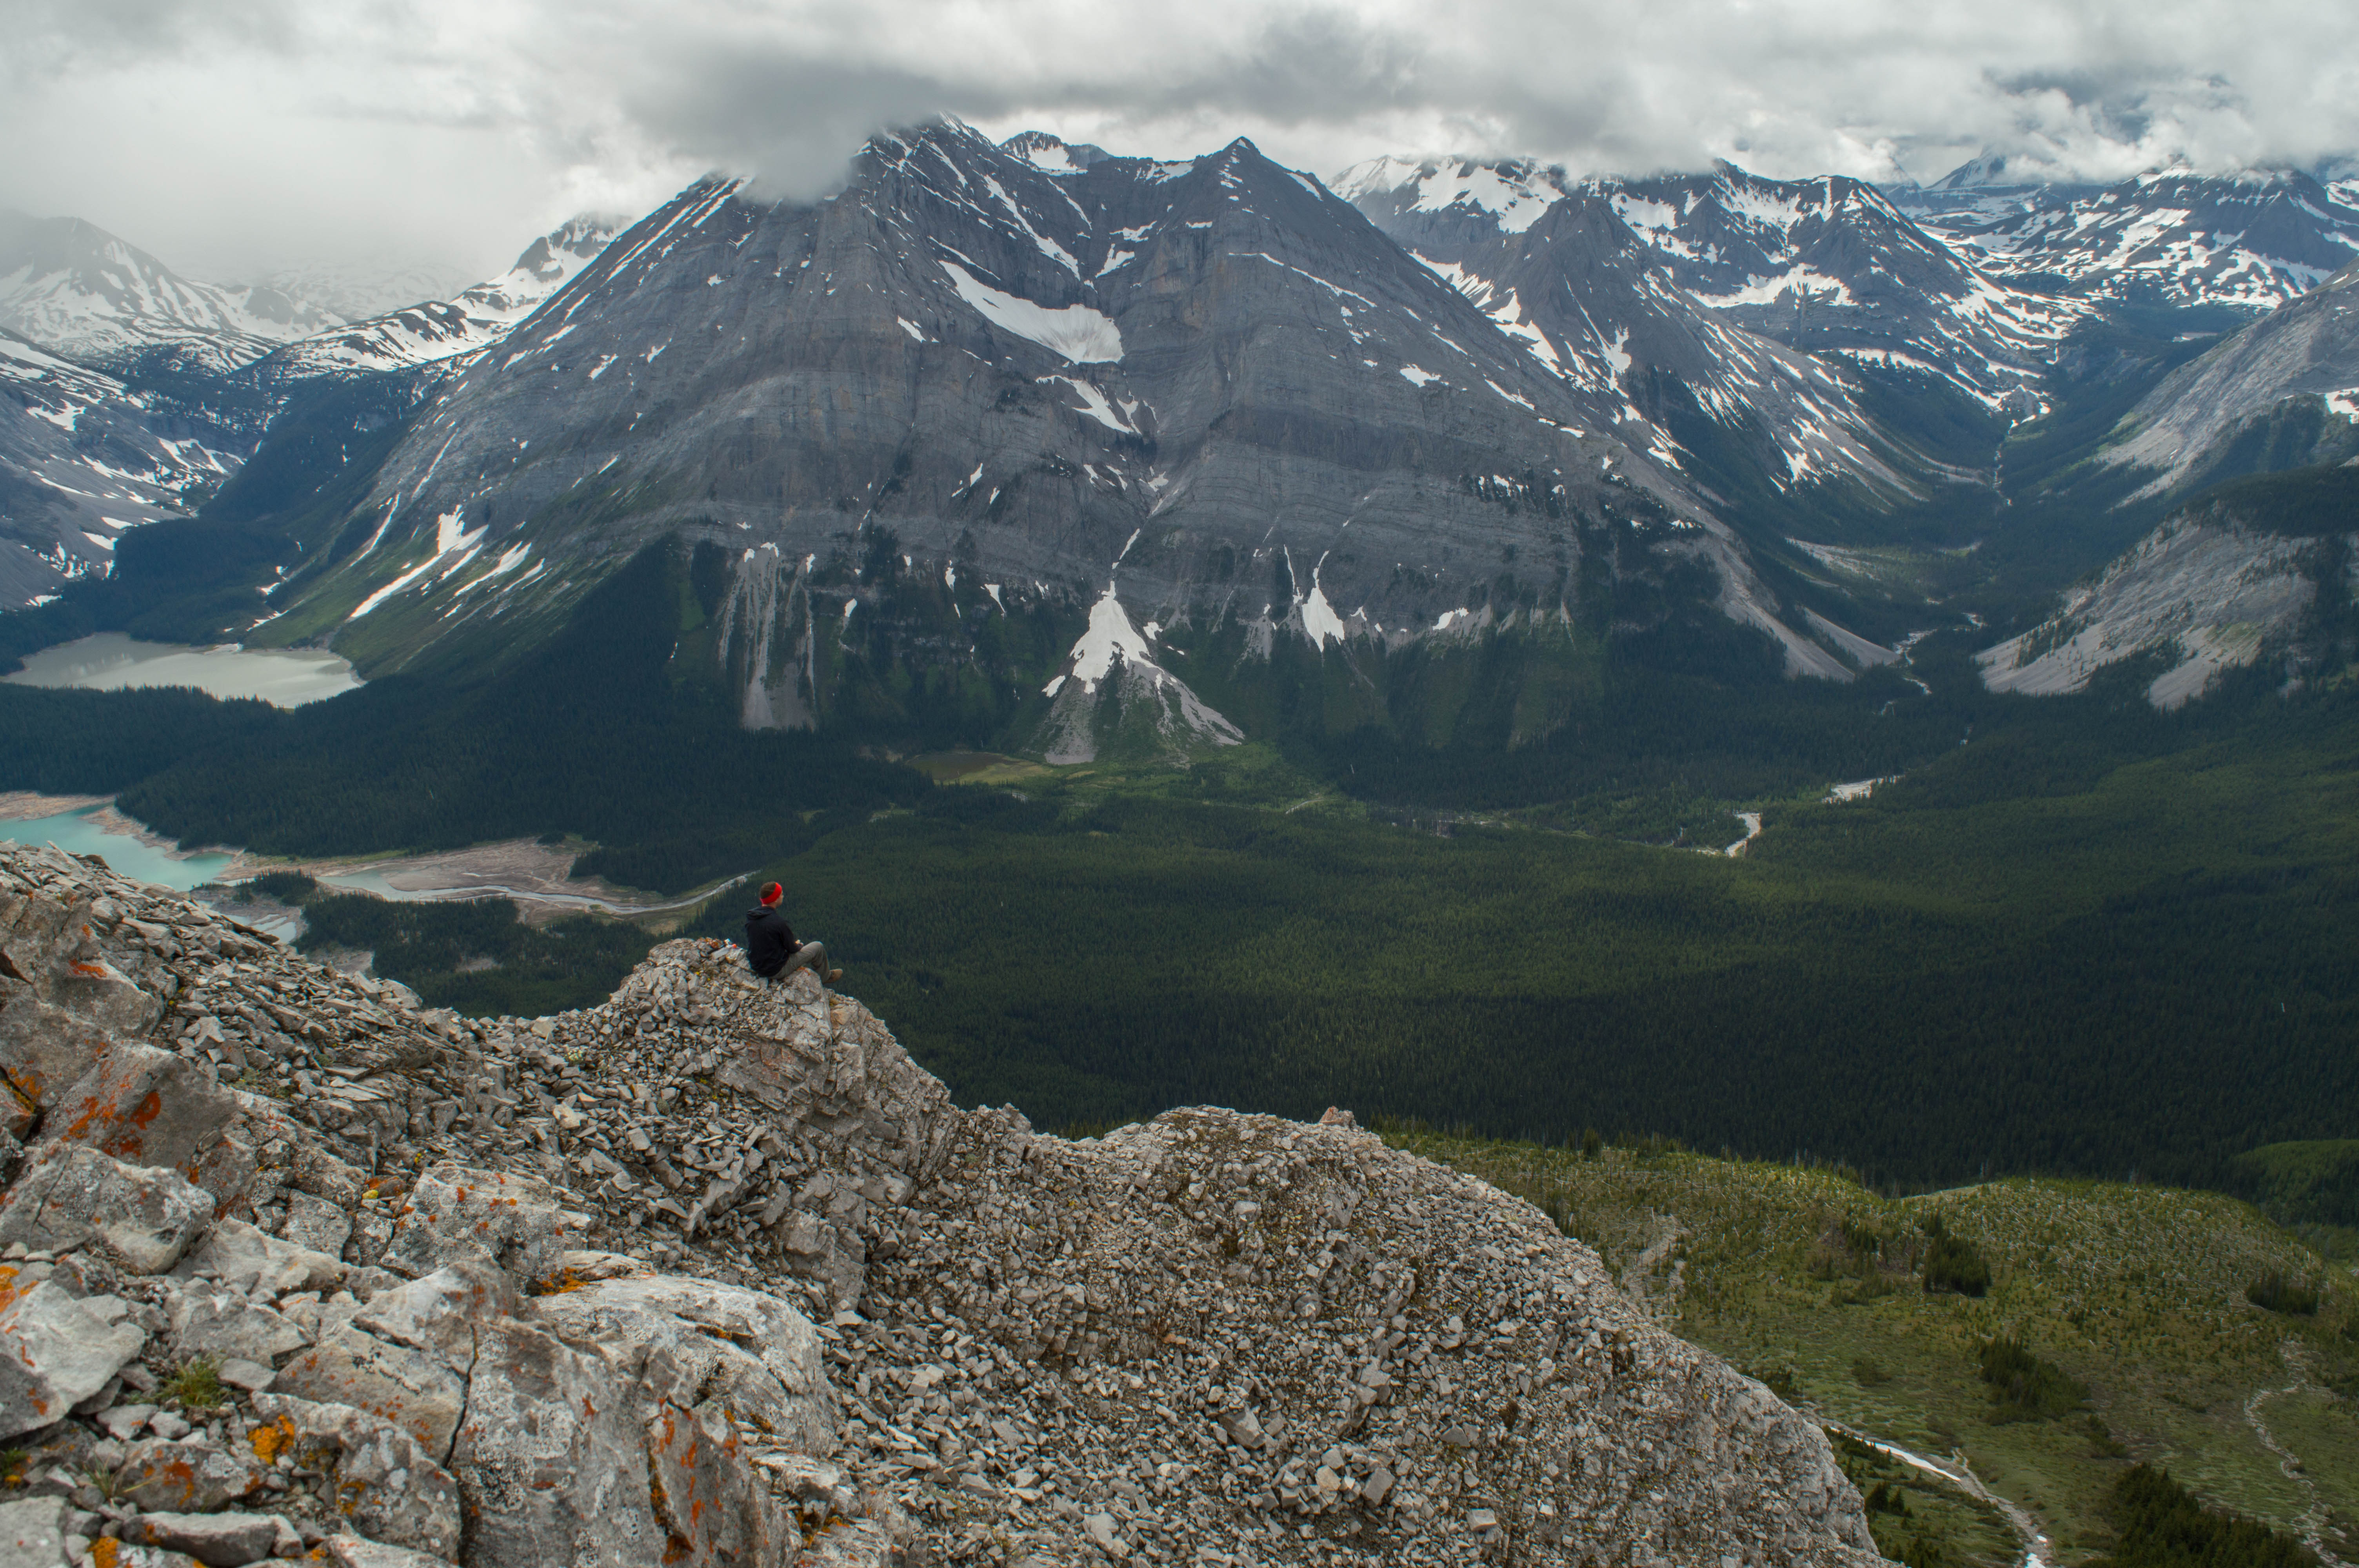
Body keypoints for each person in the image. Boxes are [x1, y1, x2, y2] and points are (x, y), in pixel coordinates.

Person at [742, 882, 842, 985]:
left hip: (756, 965)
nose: (783, 896)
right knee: (818, 947)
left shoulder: (752, 917)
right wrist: (798, 946)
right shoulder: (778, 923)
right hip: (775, 970)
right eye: (781, 894)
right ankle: (824, 977)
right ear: (776, 899)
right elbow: (792, 949)